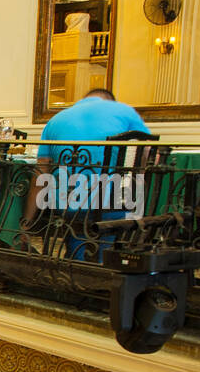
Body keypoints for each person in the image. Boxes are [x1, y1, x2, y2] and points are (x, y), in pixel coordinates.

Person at [26, 89, 152, 259]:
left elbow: (41, 174)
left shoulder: (55, 120)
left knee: (78, 224)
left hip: (67, 201)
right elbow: (148, 153)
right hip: (112, 202)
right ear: (110, 102)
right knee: (116, 211)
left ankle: (78, 260)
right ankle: (107, 261)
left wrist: (27, 223)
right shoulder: (125, 111)